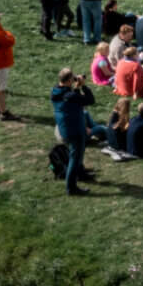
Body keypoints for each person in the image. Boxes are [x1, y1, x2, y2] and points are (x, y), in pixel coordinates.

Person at [48, 68, 94, 196]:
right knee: (75, 158)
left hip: (66, 128)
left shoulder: (56, 91)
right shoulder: (70, 95)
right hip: (74, 130)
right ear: (69, 80)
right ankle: (71, 188)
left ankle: (82, 174)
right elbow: (90, 100)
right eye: (72, 78)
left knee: (78, 153)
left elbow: (69, 97)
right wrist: (83, 86)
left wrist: (75, 87)